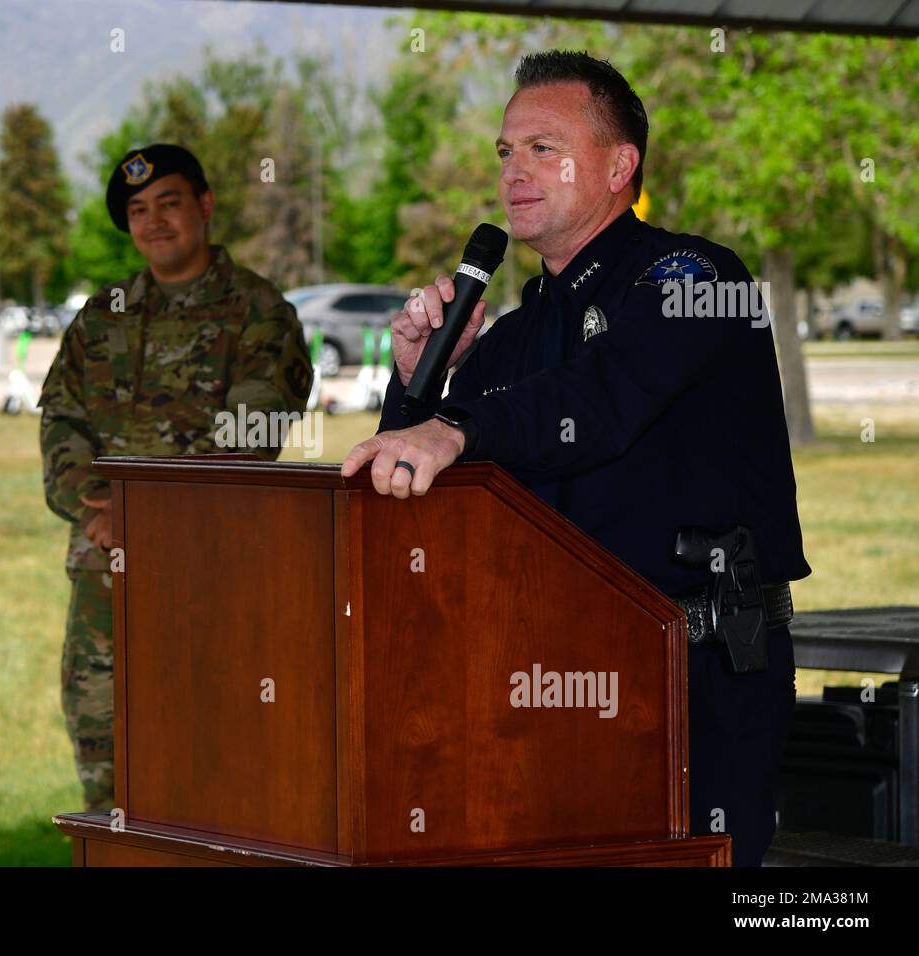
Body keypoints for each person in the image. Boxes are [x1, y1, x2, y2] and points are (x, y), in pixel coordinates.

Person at [342, 51, 810, 867]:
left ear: (620, 166)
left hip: (693, 675)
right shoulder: (521, 333)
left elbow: (599, 404)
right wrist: (416, 385)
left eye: (543, 149)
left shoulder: (693, 280)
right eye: (505, 152)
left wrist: (457, 430)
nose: (514, 172)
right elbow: (418, 477)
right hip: (546, 676)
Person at [40, 143, 313, 811]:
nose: (154, 221)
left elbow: (252, 436)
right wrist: (95, 507)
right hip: (105, 577)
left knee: (213, 767)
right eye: (138, 210)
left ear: (205, 207)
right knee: (106, 767)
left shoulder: (259, 312)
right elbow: (60, 422)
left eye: (169, 203)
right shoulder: (101, 316)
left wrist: (147, 517)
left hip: (209, 578)